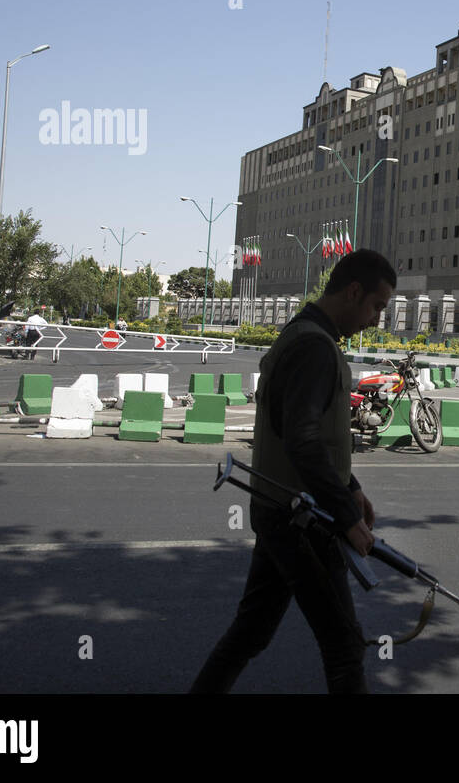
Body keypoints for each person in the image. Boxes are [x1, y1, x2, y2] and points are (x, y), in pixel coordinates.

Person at [191, 249, 395, 694]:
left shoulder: (302, 334)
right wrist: (346, 515)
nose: (377, 319)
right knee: (344, 644)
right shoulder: (314, 348)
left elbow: (306, 433)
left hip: (280, 507)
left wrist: (351, 487)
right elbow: (302, 439)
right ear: (354, 291)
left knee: (251, 632)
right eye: (376, 306)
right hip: (303, 519)